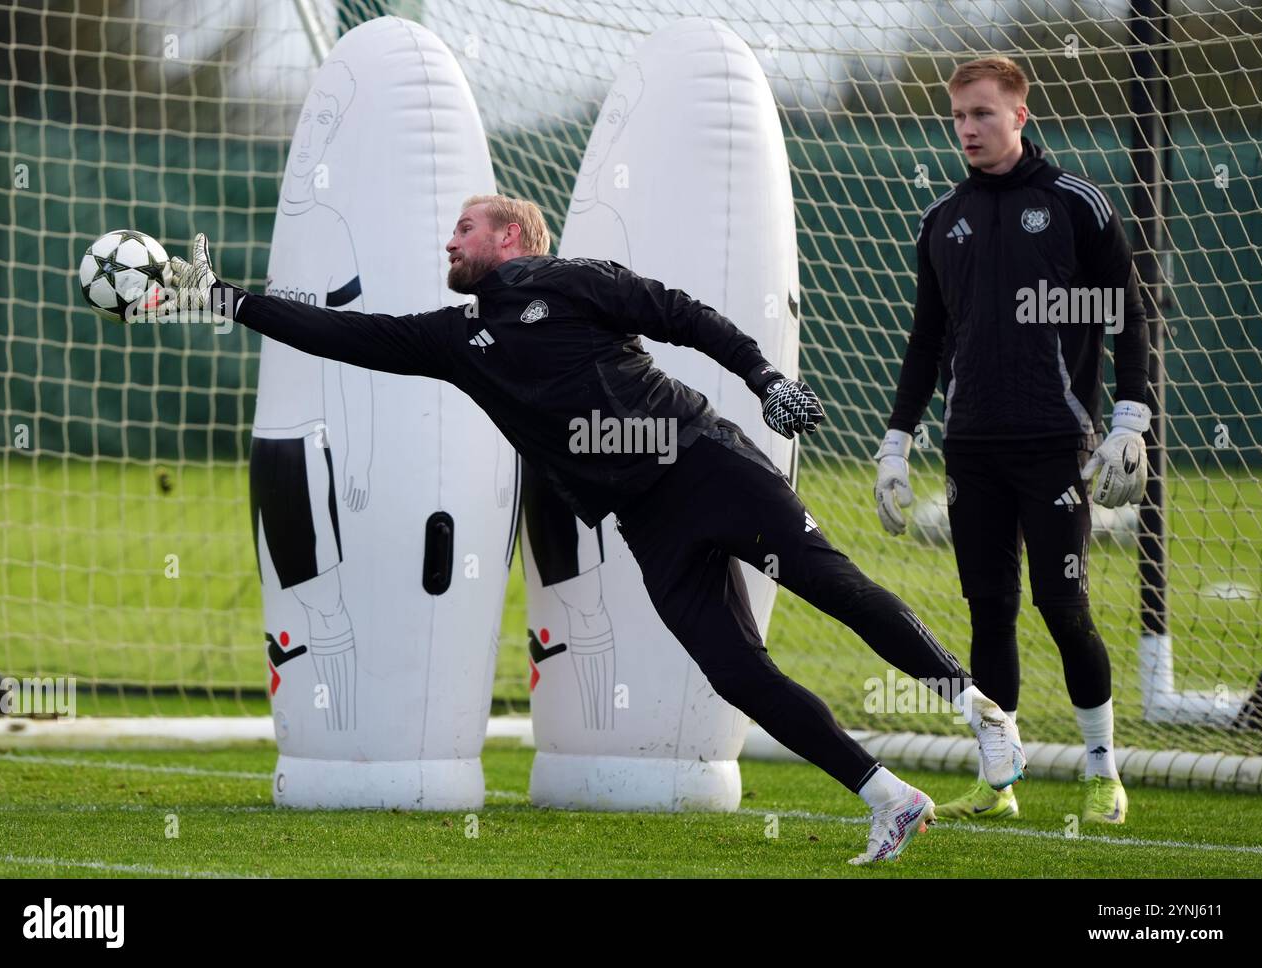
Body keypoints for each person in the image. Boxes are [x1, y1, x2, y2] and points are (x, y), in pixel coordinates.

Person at [172, 192, 1026, 864]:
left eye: (463, 227)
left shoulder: (570, 278)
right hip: (646, 522)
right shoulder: (457, 335)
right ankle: (889, 800)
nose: (449, 243)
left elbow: (683, 313)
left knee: (833, 586)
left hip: (703, 461)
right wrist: (227, 299)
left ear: (512, 236)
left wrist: (765, 378)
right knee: (736, 672)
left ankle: (979, 708)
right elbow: (347, 334)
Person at [874, 57, 1149, 825]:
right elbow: (926, 342)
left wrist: (1131, 420)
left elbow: (1130, 316)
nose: (968, 128)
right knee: (988, 613)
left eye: (983, 114)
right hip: (971, 448)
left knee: (1065, 610)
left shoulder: (1074, 205)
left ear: (1020, 116)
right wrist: (897, 442)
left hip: (1054, 443)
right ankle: (1000, 784)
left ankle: (1103, 774)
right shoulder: (942, 221)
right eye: (959, 116)